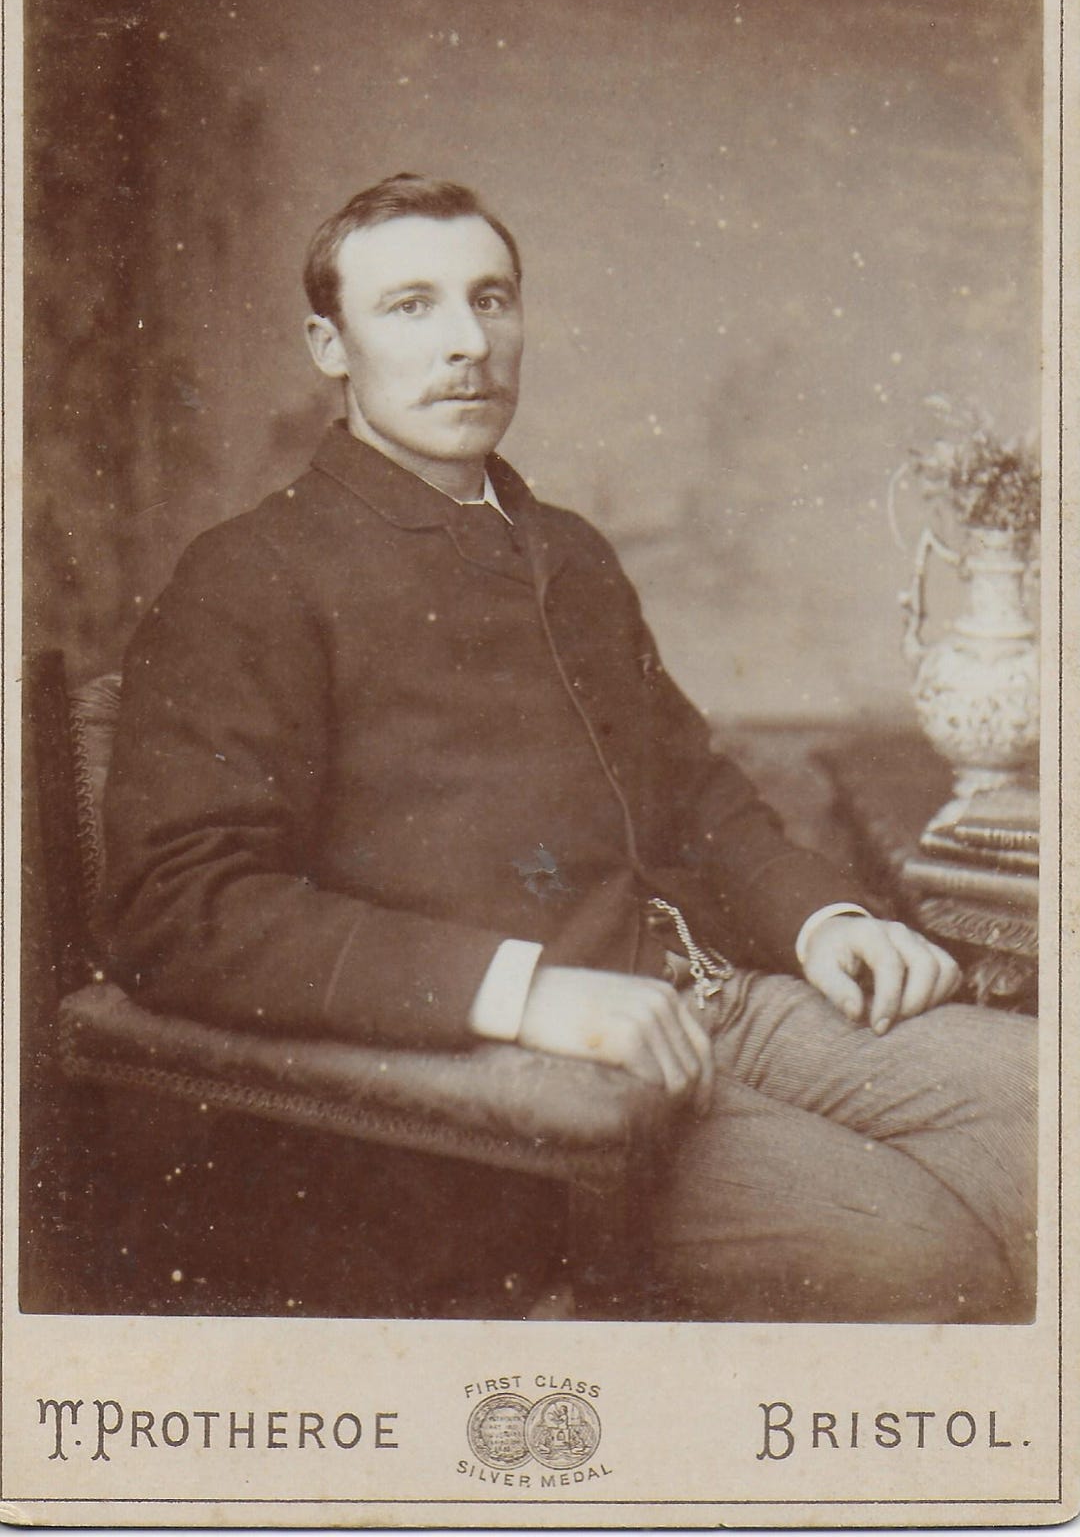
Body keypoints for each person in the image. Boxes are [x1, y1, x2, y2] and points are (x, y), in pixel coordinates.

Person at [103, 174, 1036, 1323]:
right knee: (918, 1258)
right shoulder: (250, 575)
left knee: (1053, 1114)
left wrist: (824, 918)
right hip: (512, 1085)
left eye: (492, 300)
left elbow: (693, 788)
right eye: (410, 307)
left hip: (715, 995)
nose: (466, 343)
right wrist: (527, 995)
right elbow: (177, 907)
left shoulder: (570, 552)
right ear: (327, 344)